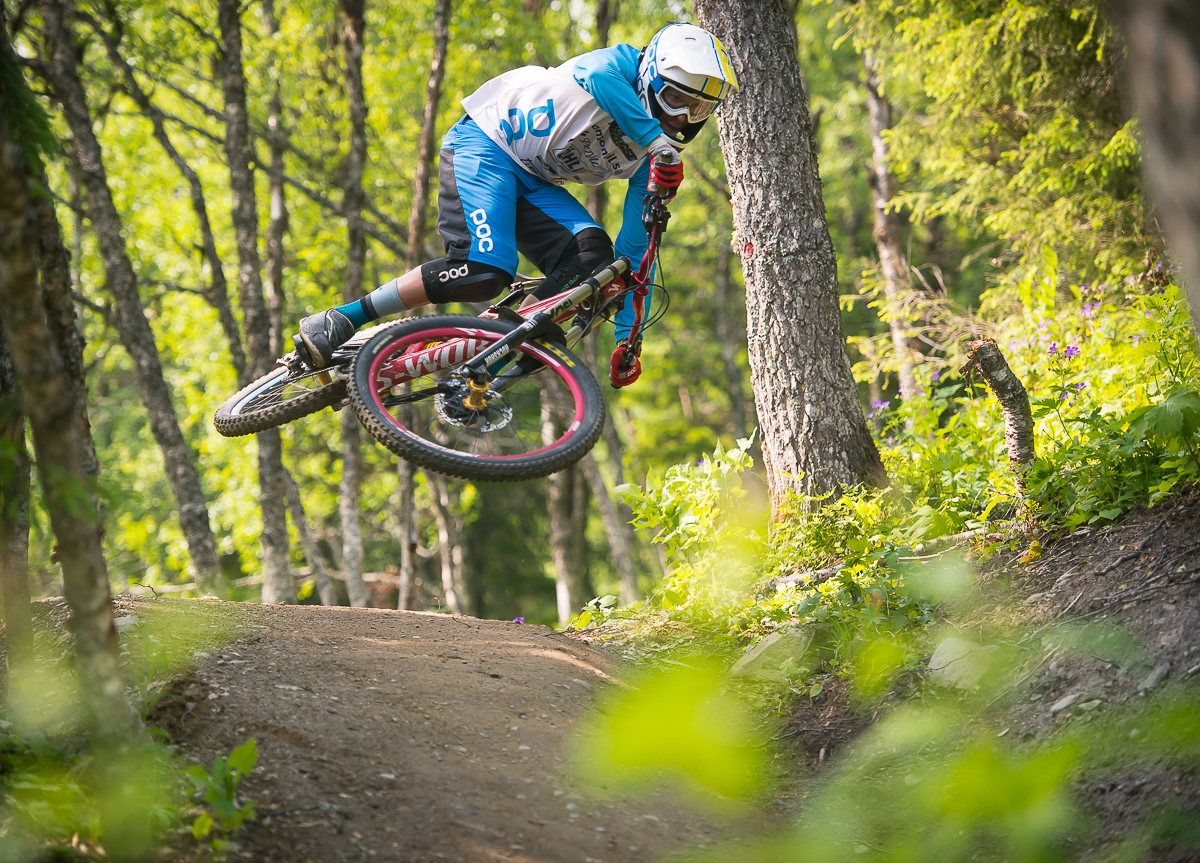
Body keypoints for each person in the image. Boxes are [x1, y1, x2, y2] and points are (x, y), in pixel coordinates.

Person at [292, 21, 738, 387]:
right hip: (484, 145)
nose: (682, 117)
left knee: (595, 265)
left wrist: (628, 337)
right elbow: (595, 78)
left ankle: (486, 357)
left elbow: (636, 252)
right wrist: (655, 141)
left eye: (698, 110)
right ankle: (341, 319)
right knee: (485, 270)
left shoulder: (652, 158)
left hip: (534, 180)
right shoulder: (619, 65)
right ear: (652, 75)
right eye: (677, 97)